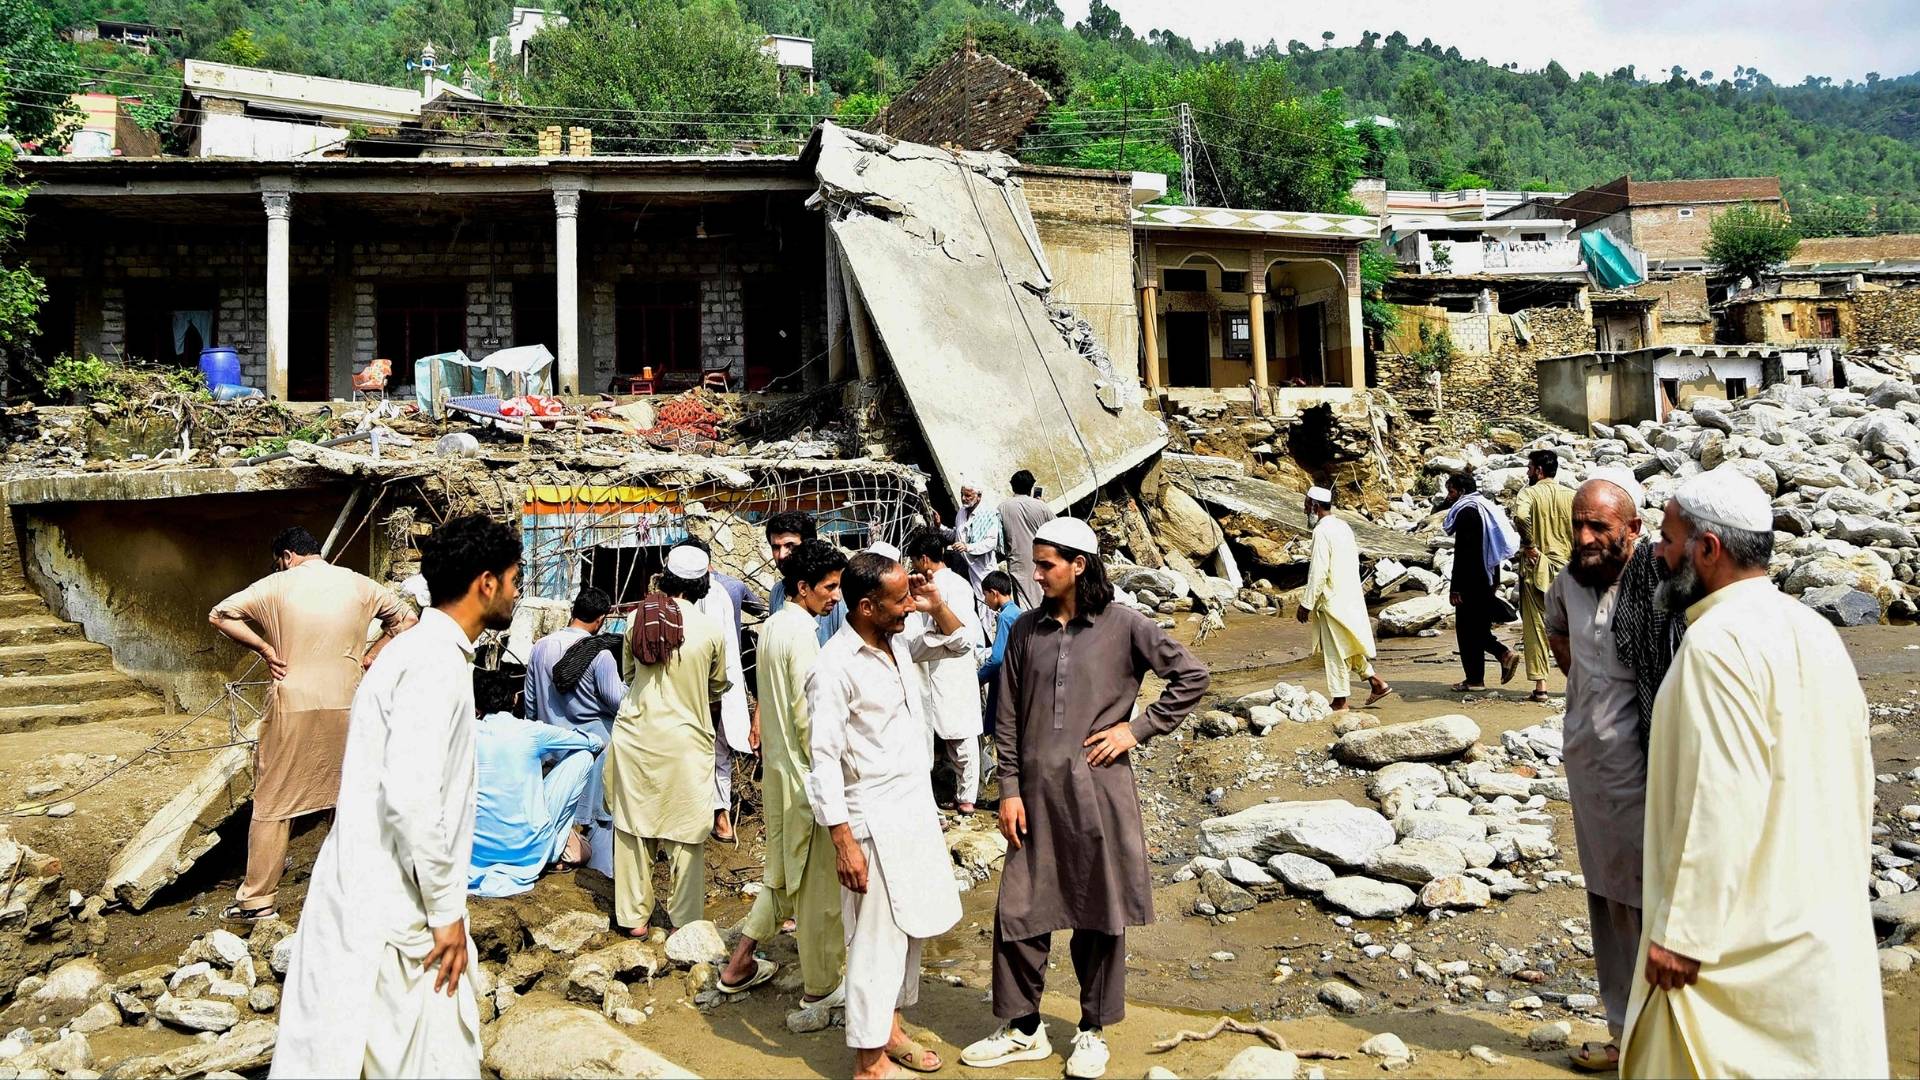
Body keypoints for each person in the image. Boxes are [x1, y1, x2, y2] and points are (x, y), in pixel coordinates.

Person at [1620, 467, 1886, 1078]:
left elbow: (1722, 794)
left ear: (1706, 550)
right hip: (1816, 925)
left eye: (1665, 539)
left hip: (1738, 951)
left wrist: (1684, 933)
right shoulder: (1814, 629)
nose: (1656, 554)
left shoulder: (1717, 646)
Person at [271, 513, 520, 1078]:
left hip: (378, 890)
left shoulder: (416, 652)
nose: (516, 589)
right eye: (513, 577)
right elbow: (412, 799)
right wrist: (445, 913)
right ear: (486, 583)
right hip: (395, 904)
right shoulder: (432, 663)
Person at [962, 518, 1209, 1080]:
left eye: (1047, 564)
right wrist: (1007, 790)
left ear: (1079, 565)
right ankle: (1024, 1027)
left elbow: (1191, 675)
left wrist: (1136, 730)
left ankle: (1092, 1030)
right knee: (1020, 909)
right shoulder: (1026, 629)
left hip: (1099, 792)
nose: (1037, 572)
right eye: (1036, 563)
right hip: (1034, 796)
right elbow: (1006, 718)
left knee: (1099, 912)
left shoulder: (1124, 625)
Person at [807, 552, 971, 1080]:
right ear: (865, 606)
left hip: (914, 809)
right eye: (899, 601)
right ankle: (868, 1061)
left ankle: (892, 1030)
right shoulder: (834, 666)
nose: (909, 608)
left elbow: (960, 642)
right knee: (874, 942)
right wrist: (844, 841)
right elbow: (823, 761)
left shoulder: (899, 643)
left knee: (911, 931)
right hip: (871, 819)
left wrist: (934, 602)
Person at [209, 525, 414, 922]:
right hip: (350, 703)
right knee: (349, 796)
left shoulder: (276, 584)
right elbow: (407, 621)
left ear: (286, 556)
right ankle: (354, 891)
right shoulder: (359, 584)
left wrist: (266, 648)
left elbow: (220, 615)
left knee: (274, 801)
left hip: (294, 701)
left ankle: (257, 901)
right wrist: (371, 655)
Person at [1543, 468, 1650, 1073]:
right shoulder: (1568, 583)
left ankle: (1662, 1029)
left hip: (1647, 768)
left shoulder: (1658, 585)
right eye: (1578, 523)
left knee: (1651, 899)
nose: (1584, 537)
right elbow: (1559, 634)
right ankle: (1624, 1029)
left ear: (1632, 530)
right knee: (1607, 897)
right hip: (1589, 766)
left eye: (1598, 526)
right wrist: (1588, 693)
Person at [717, 540, 848, 1013]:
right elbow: (807, 714)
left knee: (780, 877)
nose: (836, 597)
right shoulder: (801, 636)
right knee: (818, 894)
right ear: (804, 588)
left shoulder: (774, 627)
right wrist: (832, 777)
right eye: (829, 588)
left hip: (778, 773)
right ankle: (821, 984)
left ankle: (738, 964)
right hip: (802, 778)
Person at [607, 545, 731, 936]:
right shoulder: (710, 631)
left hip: (635, 735)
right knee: (688, 832)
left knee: (632, 827)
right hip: (686, 742)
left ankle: (633, 919)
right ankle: (686, 923)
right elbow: (716, 688)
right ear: (704, 583)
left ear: (667, 578)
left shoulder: (635, 620)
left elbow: (628, 675)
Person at [469, 679, 603, 898]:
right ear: (515, 699)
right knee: (583, 757)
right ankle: (555, 851)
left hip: (477, 850)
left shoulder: (466, 732)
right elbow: (595, 742)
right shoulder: (531, 730)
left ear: (477, 708)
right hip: (527, 848)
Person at [523, 587, 624, 874]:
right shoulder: (599, 654)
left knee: (558, 816)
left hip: (553, 749)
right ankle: (601, 881)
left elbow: (530, 701)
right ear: (602, 619)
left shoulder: (541, 647)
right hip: (595, 751)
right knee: (599, 820)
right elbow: (617, 700)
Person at [904, 527, 987, 814]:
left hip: (948, 670)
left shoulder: (947, 587)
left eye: (914, 560)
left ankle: (965, 800)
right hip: (937, 669)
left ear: (924, 559)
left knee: (957, 735)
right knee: (953, 738)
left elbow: (963, 636)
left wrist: (933, 641)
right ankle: (964, 797)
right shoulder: (960, 584)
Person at [1295, 486, 1392, 712]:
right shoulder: (1343, 526)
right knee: (1346, 644)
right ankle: (1377, 682)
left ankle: (1340, 700)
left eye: (1307, 504)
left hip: (1331, 600)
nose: (1304, 509)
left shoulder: (1322, 532)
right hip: (1348, 596)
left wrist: (1306, 603)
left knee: (1335, 651)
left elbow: (1318, 571)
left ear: (1315, 507)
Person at [682, 541, 752, 844]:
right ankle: (719, 816)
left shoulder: (701, 597)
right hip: (724, 686)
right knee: (718, 753)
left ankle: (709, 815)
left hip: (706, 689)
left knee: (701, 752)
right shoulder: (728, 590)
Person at [1442, 470, 1521, 693]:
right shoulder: (1485, 508)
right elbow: (1491, 548)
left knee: (1467, 630)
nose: (1449, 496)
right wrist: (1494, 580)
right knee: (1477, 626)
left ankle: (1488, 666)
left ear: (1462, 491)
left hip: (1470, 582)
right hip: (1487, 577)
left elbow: (1464, 553)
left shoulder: (1467, 512)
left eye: (1451, 491)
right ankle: (1485, 669)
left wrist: (1456, 587)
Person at [1514, 449, 1576, 703]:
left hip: (1538, 566)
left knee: (1537, 625)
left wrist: (1529, 544)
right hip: (1568, 569)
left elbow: (1520, 516)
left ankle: (1541, 686)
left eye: (1529, 467)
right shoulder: (1571, 495)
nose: (1527, 472)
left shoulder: (1528, 493)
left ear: (1539, 470)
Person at [766, 510, 847, 646]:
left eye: (789, 546)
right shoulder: (777, 592)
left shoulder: (835, 596)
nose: (781, 555)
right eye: (776, 547)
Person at [996, 470, 1054, 611]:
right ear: (1031, 486)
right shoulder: (1041, 506)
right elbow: (1056, 529)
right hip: (1042, 559)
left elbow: (998, 540)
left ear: (1012, 486)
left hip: (1017, 561)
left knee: (1023, 602)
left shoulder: (1002, 508)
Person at [977, 570, 1023, 737]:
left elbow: (997, 659)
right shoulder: (1018, 613)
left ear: (994, 593)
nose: (985, 600)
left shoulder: (1005, 617)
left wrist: (979, 678)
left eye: (986, 595)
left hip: (1004, 683)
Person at [944, 480, 1003, 595]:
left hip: (982, 569)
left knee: (986, 602)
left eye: (967, 495)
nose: (963, 498)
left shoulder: (989, 514)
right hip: (963, 566)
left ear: (979, 497)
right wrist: (939, 526)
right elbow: (956, 535)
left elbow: (991, 542)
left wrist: (968, 547)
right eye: (962, 494)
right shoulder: (961, 512)